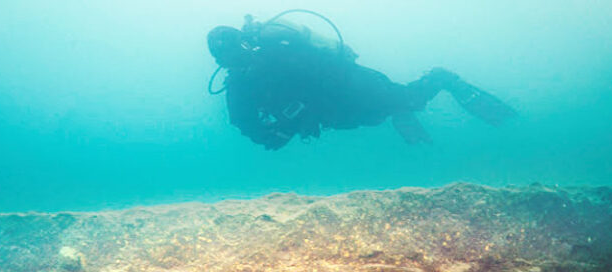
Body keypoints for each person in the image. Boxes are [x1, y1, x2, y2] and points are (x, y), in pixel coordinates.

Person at [207, 12, 517, 150]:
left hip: (357, 88)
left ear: (246, 44)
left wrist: (293, 121)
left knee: (408, 100)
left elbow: (322, 77)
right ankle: (399, 110)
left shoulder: (278, 53)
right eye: (224, 58)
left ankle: (441, 78)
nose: (233, 61)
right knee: (379, 116)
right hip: (341, 115)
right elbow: (242, 121)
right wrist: (268, 134)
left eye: (235, 52)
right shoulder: (238, 84)